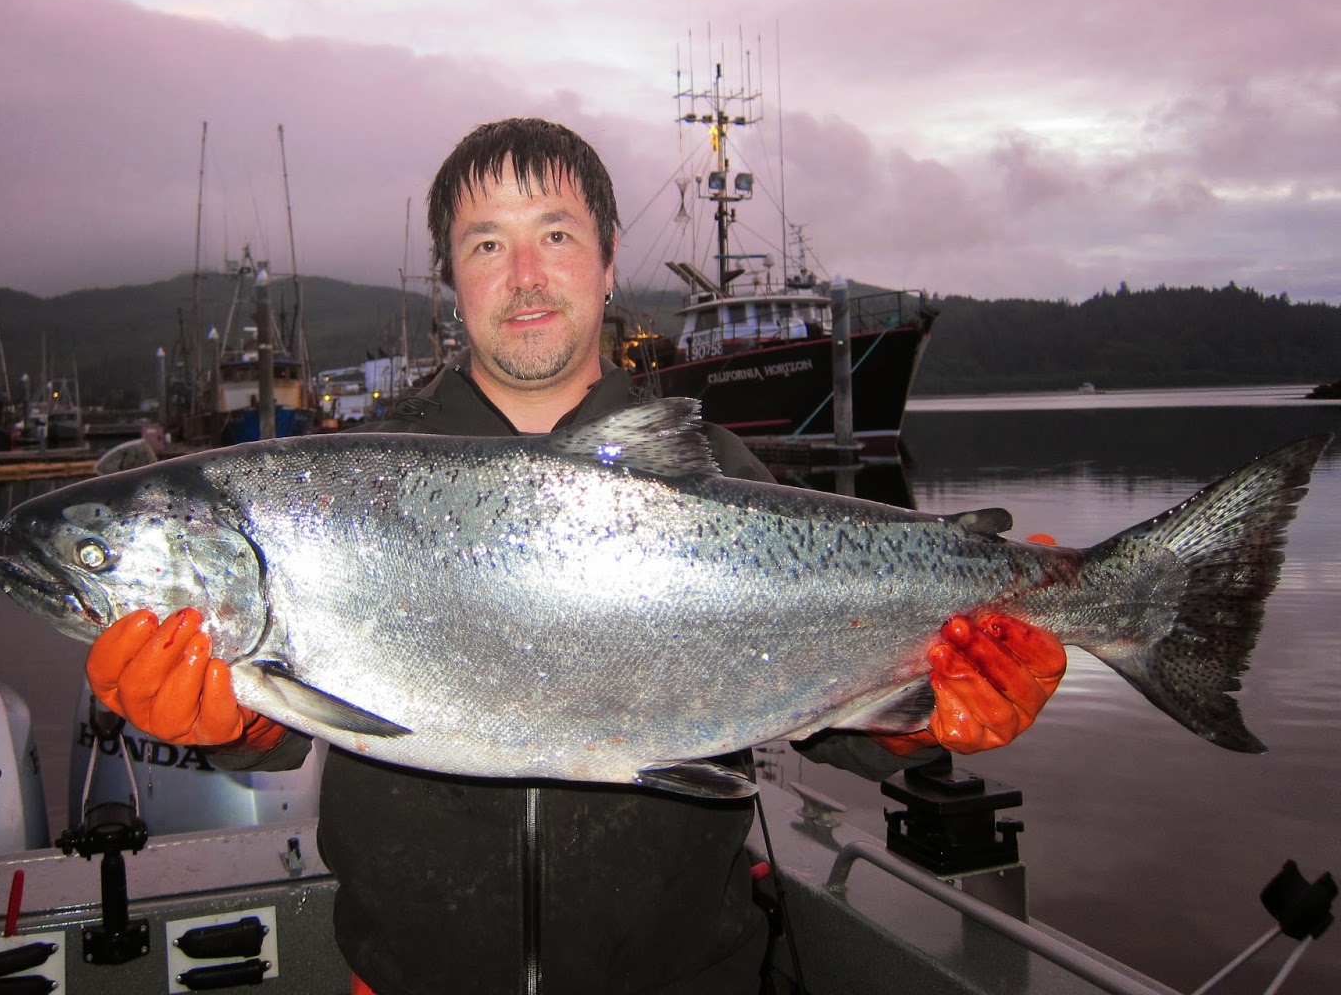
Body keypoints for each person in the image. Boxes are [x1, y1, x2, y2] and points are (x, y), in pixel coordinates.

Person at [86, 119, 1067, 994]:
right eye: (485, 245)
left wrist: (934, 703)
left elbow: (830, 717)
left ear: (605, 264)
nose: (523, 276)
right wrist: (226, 720)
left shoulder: (712, 472)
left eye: (554, 234)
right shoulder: (341, 484)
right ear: (451, 281)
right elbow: (288, 727)